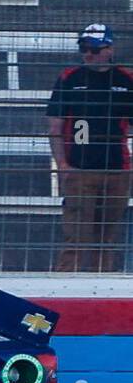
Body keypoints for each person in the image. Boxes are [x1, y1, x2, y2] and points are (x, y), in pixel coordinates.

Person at [47, 23, 133, 271]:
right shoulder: (69, 78)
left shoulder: (126, 80)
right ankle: (65, 285)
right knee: (74, 235)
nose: (88, 54)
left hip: (118, 169)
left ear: (109, 49)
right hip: (80, 168)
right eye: (85, 49)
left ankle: (101, 283)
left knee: (106, 237)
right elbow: (54, 126)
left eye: (94, 49)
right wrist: (63, 164)